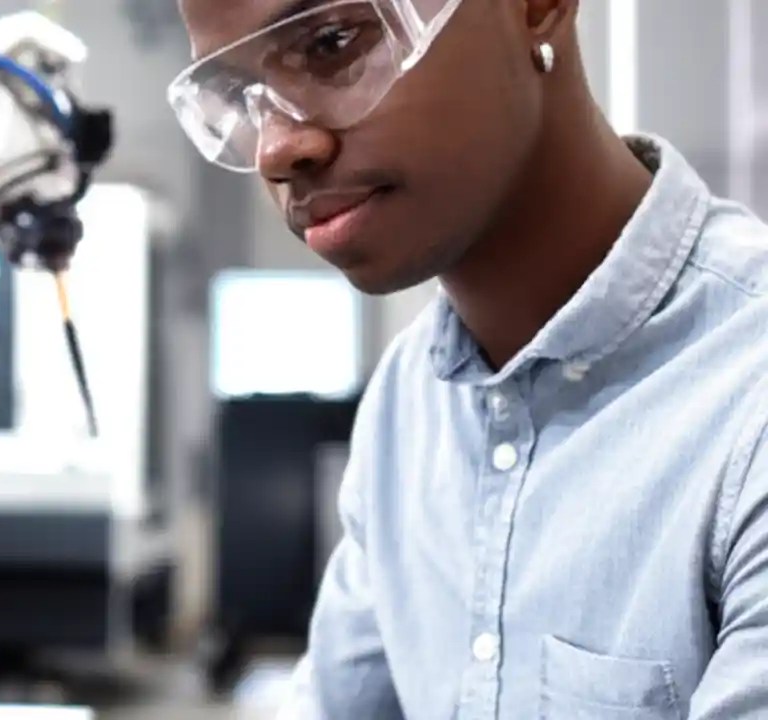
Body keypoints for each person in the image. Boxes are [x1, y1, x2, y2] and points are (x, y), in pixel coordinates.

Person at [169, 0, 768, 717]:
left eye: (332, 44)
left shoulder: (746, 400)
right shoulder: (409, 401)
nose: (274, 150)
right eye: (237, 98)